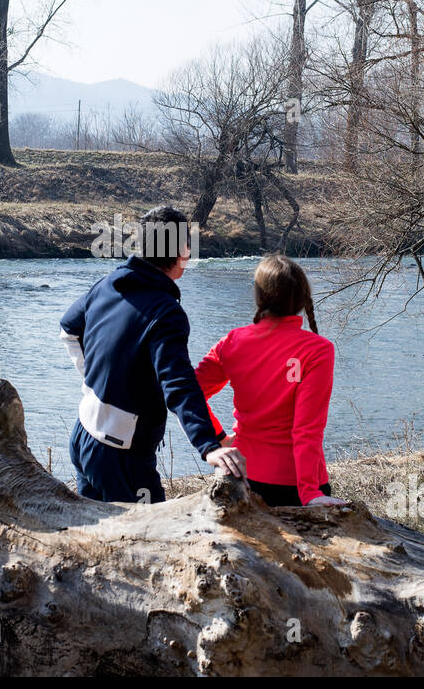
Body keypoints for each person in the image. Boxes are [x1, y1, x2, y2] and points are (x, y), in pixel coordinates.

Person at [60, 206, 246, 503]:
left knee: (97, 538)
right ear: (179, 251)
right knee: (151, 542)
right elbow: (178, 385)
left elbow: (69, 330)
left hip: (83, 435)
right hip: (121, 456)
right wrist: (208, 446)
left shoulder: (108, 284)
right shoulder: (166, 312)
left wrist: (96, 386)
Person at [196, 255, 348, 508]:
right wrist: (310, 492)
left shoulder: (232, 342)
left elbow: (189, 394)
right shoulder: (318, 349)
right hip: (295, 485)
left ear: (259, 296)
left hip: (241, 477)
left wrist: (219, 439)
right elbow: (307, 429)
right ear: (302, 298)